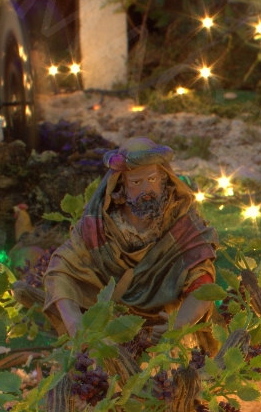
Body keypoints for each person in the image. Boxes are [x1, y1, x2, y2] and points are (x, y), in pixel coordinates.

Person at [44, 137, 218, 351]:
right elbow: (61, 271)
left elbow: (202, 279)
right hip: (110, 331)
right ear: (121, 185)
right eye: (136, 182)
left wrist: (181, 322)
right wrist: (74, 322)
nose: (148, 190)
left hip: (165, 333)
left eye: (153, 179)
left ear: (164, 177)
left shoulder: (181, 220)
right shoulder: (99, 227)